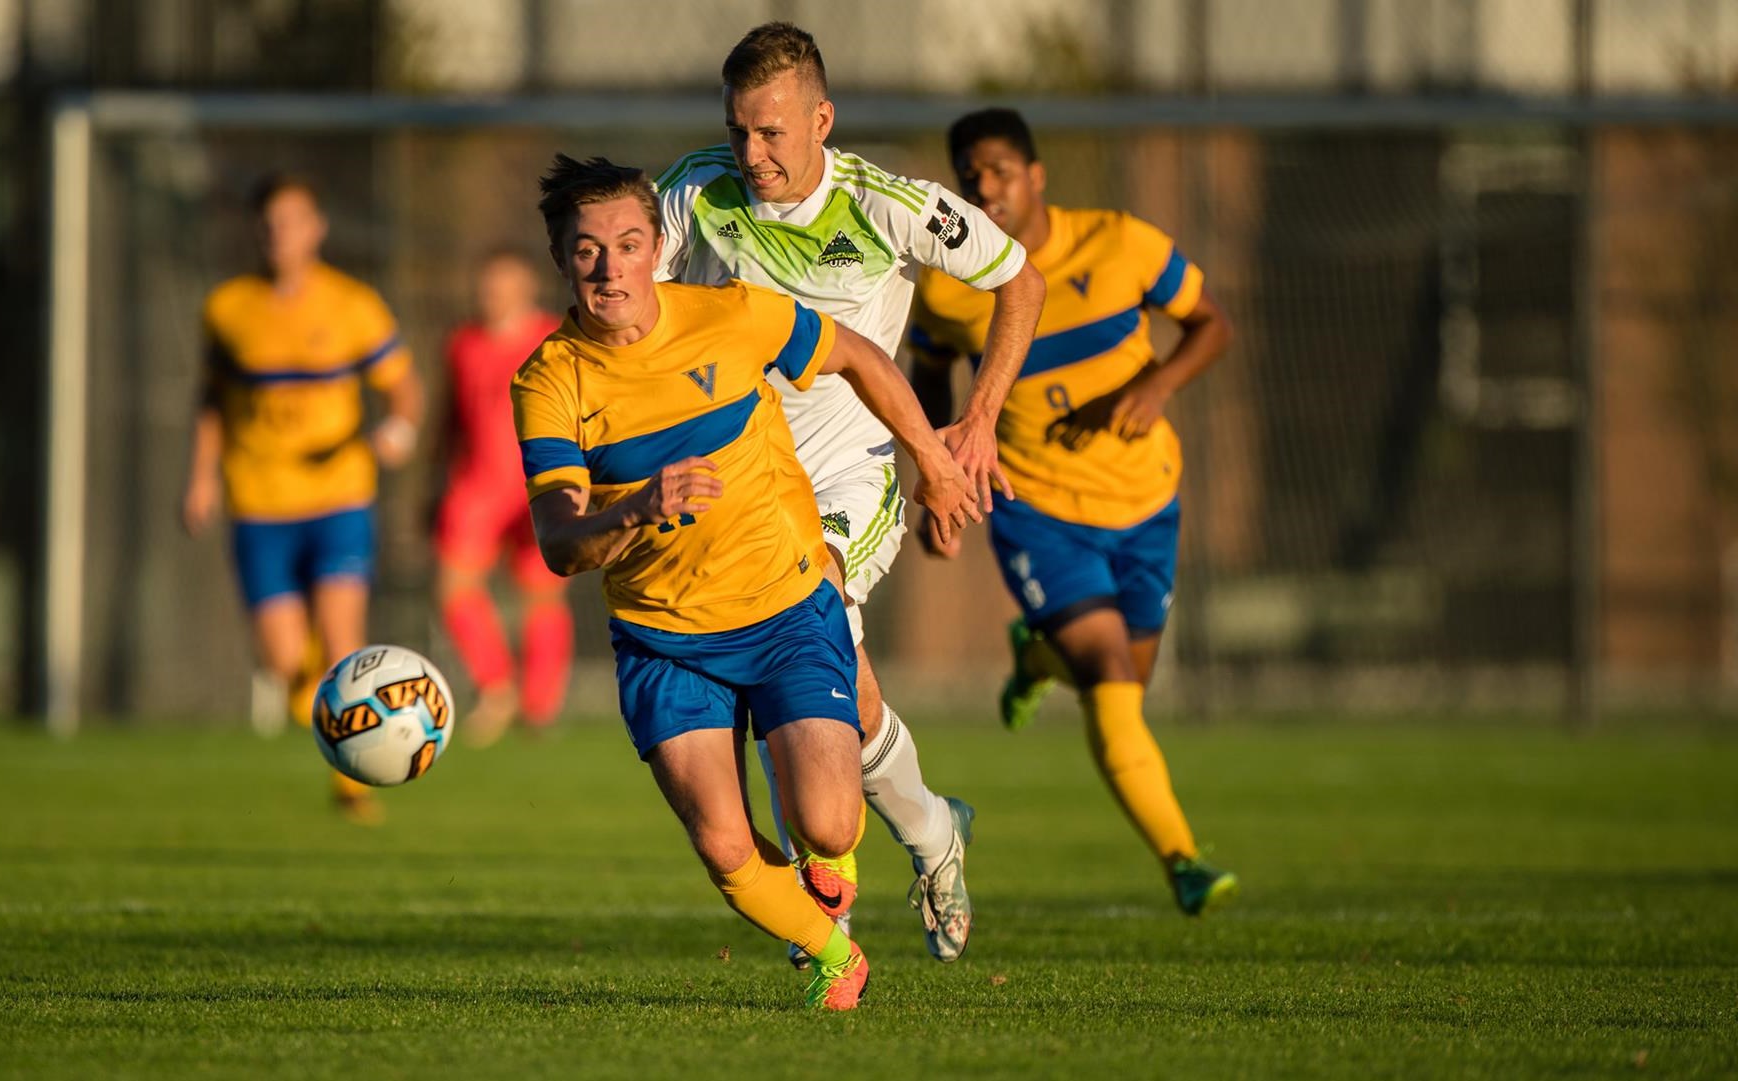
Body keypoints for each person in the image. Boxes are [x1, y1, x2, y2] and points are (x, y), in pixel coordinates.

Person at [516, 155, 977, 1010]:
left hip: (785, 606)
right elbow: (557, 543)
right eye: (587, 250)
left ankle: (853, 848)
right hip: (663, 637)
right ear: (560, 257)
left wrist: (933, 461)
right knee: (725, 846)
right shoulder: (548, 380)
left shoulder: (730, 313)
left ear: (657, 244)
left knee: (830, 824)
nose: (610, 268)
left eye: (627, 243)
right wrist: (635, 511)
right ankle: (835, 955)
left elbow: (861, 357)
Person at [655, 21, 1046, 965]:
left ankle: (819, 897)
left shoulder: (886, 205)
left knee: (794, 614)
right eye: (741, 130)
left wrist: (976, 422)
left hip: (844, 477)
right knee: (848, 695)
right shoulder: (693, 191)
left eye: (774, 133)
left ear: (821, 120)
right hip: (732, 479)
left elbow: (1021, 281)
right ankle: (933, 832)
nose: (753, 153)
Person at [909, 108, 1240, 915]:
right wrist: (935, 476)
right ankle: (1183, 860)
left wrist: (1154, 385)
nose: (984, 187)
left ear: (1036, 174)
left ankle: (1035, 659)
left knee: (1129, 674)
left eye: (998, 170)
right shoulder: (951, 285)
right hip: (1038, 506)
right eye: (969, 174)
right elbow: (928, 374)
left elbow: (1210, 325)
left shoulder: (1121, 242)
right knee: (1110, 677)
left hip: (1146, 498)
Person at [181, 175, 424, 825]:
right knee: (287, 668)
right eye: (269, 223)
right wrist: (200, 476)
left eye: (293, 221)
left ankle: (355, 778)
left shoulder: (352, 305)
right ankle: (343, 727)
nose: (280, 234)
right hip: (259, 501)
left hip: (339, 495)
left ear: (317, 227)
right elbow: (211, 401)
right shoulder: (229, 307)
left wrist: (395, 433)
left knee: (343, 640)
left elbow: (404, 390)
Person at [432, 250, 570, 748]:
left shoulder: (556, 338)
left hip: (543, 481)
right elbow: (450, 416)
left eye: (505, 285)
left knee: (540, 593)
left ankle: (539, 705)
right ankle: (496, 688)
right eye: (487, 285)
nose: (493, 295)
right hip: (478, 483)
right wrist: (436, 476)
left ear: (528, 287)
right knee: (453, 586)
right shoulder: (463, 343)